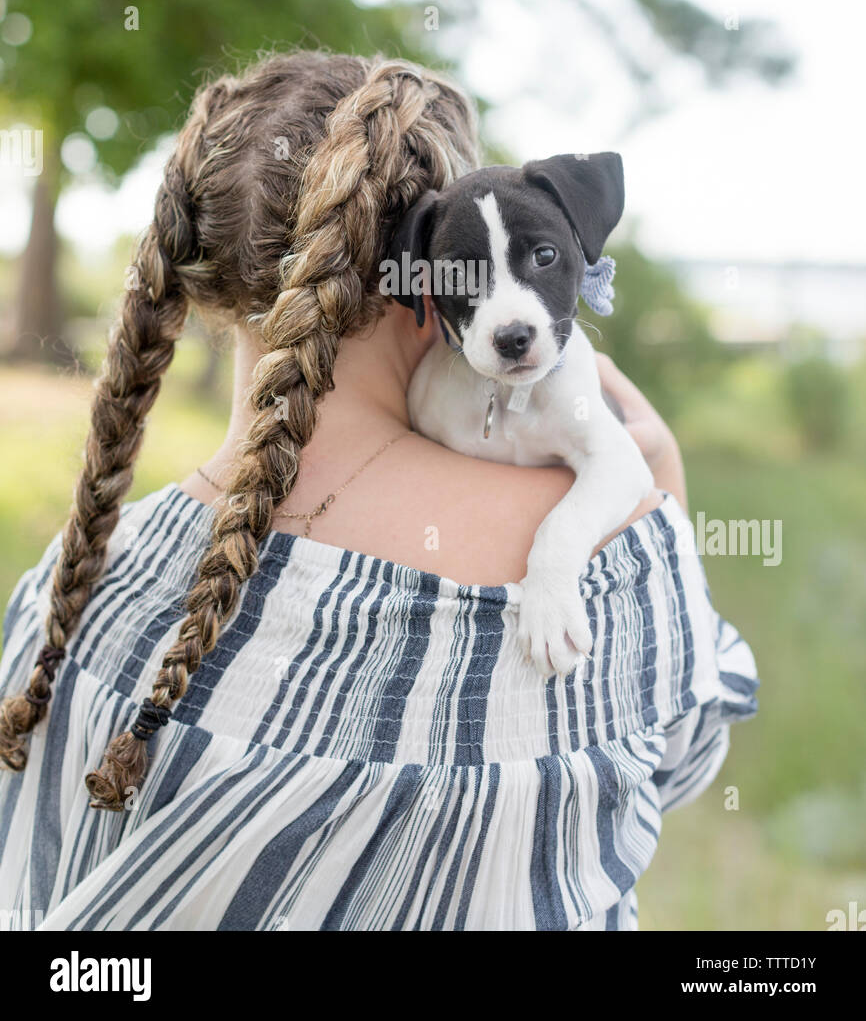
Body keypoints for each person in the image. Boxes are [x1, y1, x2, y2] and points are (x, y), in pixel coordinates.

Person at [0, 51, 757, 931]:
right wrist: (660, 483)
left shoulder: (71, 580)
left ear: (203, 278)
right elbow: (684, 759)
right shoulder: (604, 553)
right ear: (420, 270)